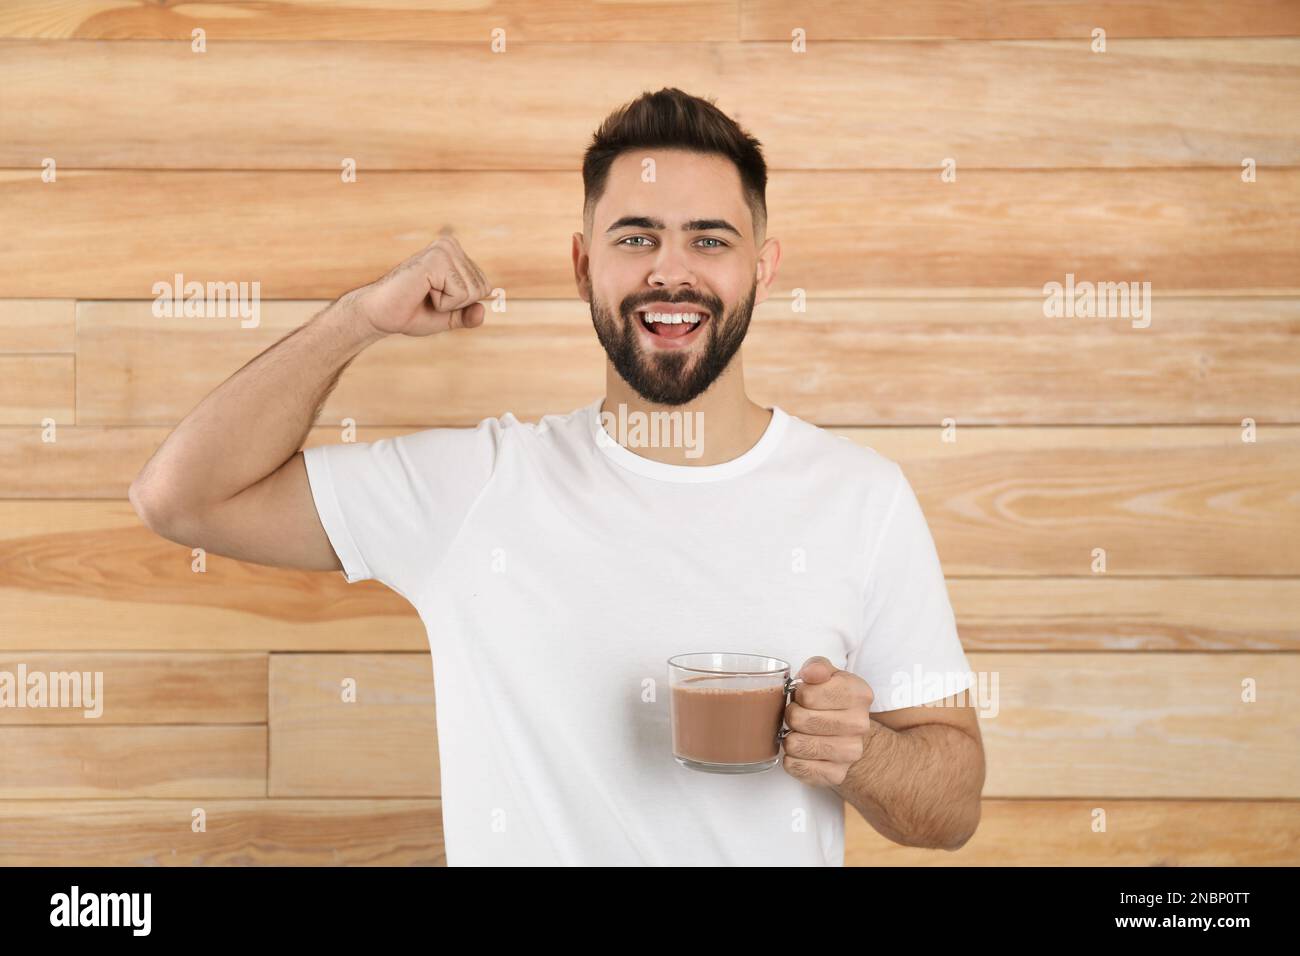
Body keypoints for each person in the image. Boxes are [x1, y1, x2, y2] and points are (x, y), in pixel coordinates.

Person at [130, 87, 985, 866]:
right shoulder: (473, 489)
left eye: (710, 240)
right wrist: (359, 320)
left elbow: (949, 809)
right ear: (583, 266)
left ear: (762, 267)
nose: (669, 270)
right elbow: (181, 497)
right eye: (636, 236)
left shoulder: (862, 498)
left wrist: (863, 753)